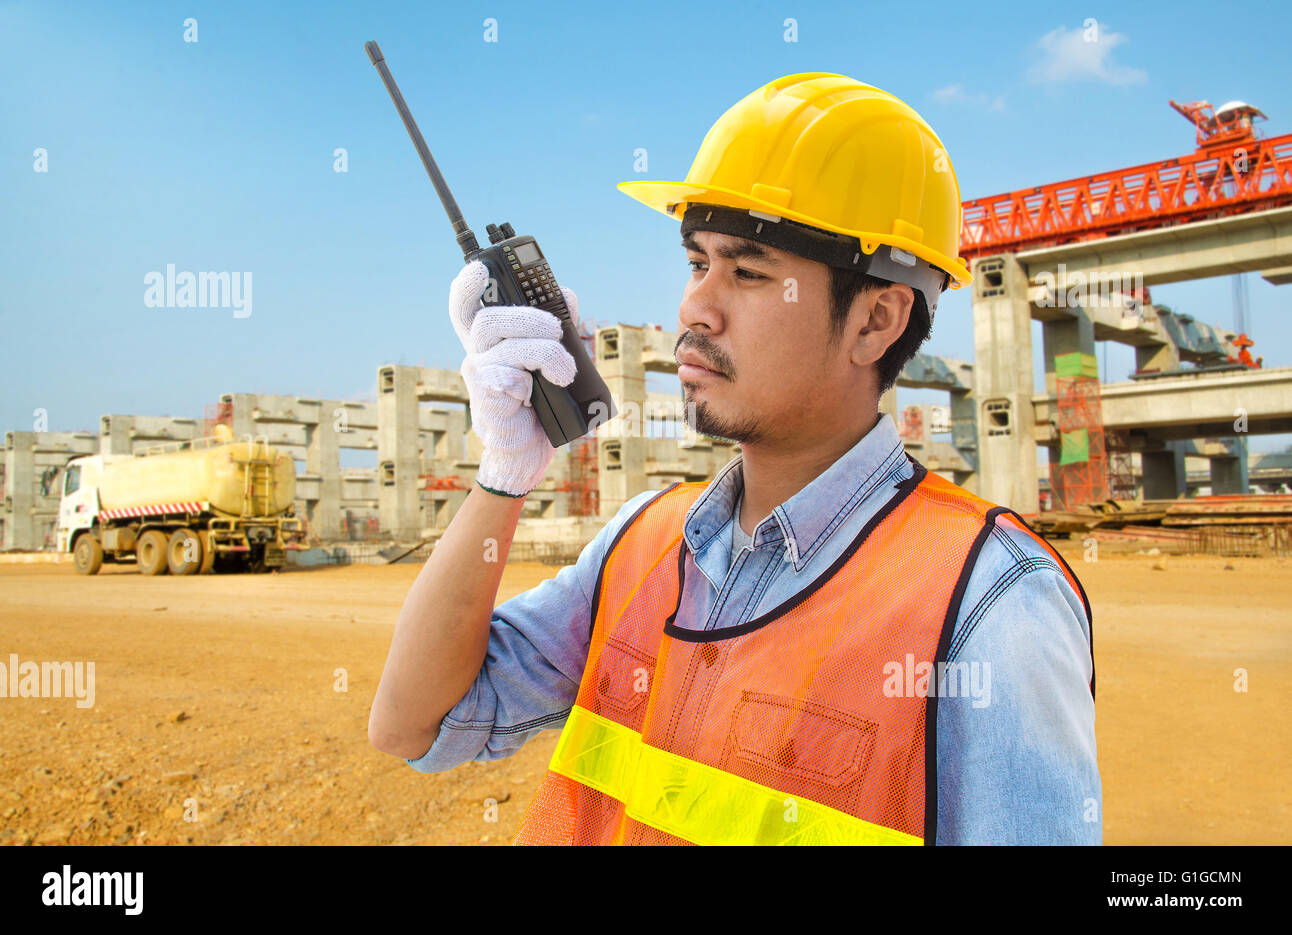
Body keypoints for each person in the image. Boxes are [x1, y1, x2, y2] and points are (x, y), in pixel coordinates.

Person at [369, 73, 1099, 846]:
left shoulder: (991, 602)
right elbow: (415, 722)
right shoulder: (644, 544)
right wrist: (504, 471)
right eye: (696, 262)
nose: (695, 307)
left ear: (876, 319)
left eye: (748, 272)